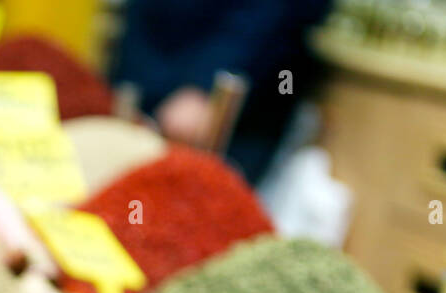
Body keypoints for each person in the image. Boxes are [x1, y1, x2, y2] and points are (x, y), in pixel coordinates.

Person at [111, 0, 332, 183]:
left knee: (211, 200)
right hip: (150, 86)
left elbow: (267, 15)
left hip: (246, 102)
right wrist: (134, 85)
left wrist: (202, 86)